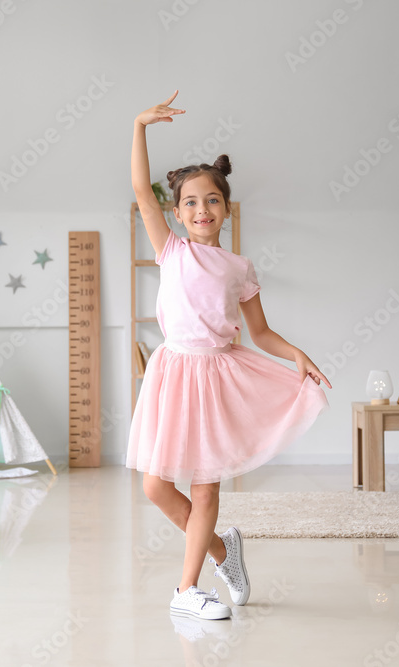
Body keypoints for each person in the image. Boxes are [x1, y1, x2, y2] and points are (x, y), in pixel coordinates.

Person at [126, 91, 332, 621]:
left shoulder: (239, 267)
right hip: (172, 373)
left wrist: (297, 355)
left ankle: (186, 590)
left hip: (216, 376)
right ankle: (223, 551)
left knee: (205, 482)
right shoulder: (171, 250)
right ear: (178, 212)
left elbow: (259, 331)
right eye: (190, 203)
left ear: (226, 208)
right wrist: (139, 126)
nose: (201, 210)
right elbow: (140, 194)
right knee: (155, 486)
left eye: (211, 201)